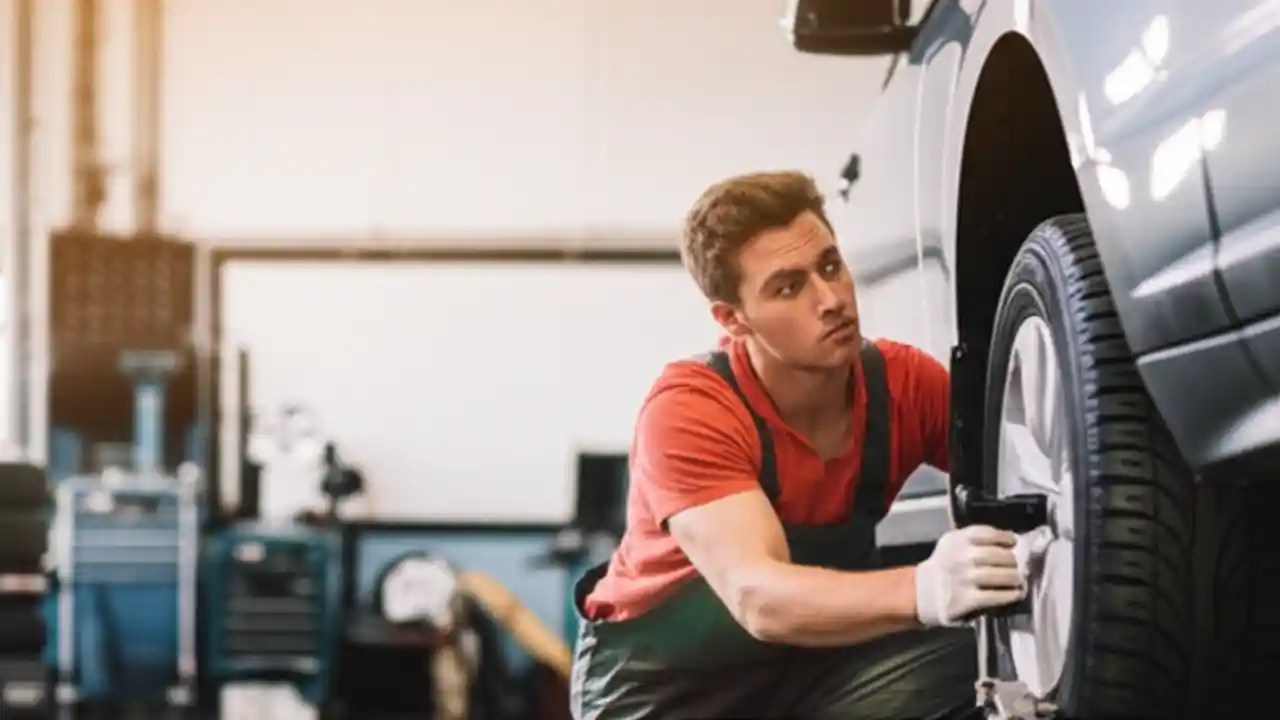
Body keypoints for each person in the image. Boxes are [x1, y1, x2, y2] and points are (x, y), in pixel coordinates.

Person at [568, 171, 1027, 719]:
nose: (831, 299)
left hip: (817, 671)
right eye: (789, 287)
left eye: (830, 266)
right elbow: (758, 597)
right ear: (732, 319)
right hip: (664, 694)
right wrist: (927, 588)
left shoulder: (903, 385)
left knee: (986, 648)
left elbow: (1026, 475)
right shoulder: (691, 408)